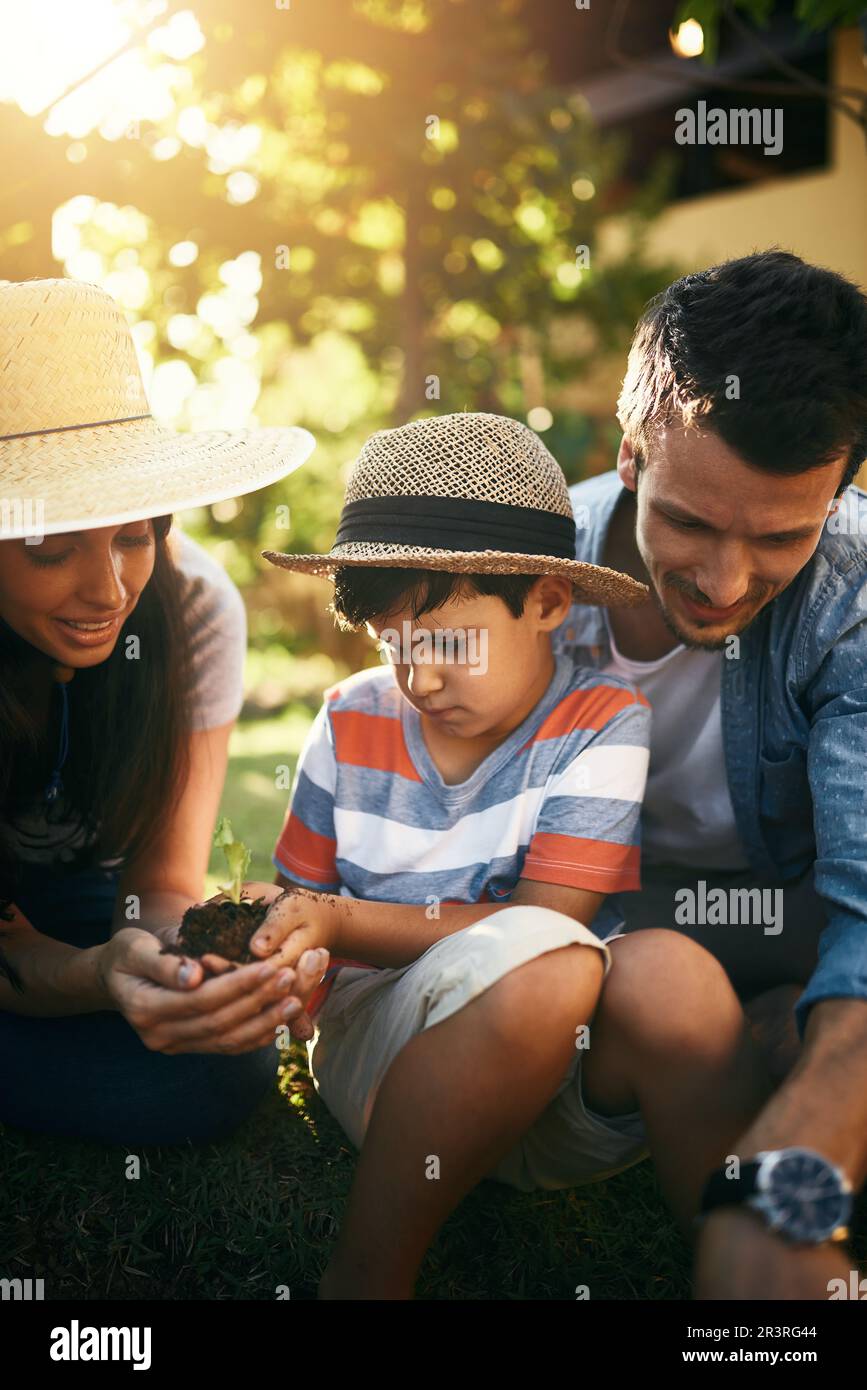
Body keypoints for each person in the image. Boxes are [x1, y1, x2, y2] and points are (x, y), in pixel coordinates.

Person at [235, 411, 773, 1300]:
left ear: (549, 604)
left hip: (560, 1083)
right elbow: (306, 904)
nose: (419, 679)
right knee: (552, 975)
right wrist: (293, 952)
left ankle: (747, 1274)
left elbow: (547, 923)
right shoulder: (347, 720)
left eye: (446, 641)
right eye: (392, 645)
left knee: (662, 970)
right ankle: (368, 1276)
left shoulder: (600, 721)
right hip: (393, 1066)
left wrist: (336, 917)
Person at [554, 249, 867, 1299]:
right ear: (631, 452)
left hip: (795, 932)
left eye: (780, 535)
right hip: (581, 944)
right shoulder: (523, 566)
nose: (723, 581)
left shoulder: (856, 589)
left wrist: (784, 1186)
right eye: (688, 520)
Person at [0, 276, 323, 1145]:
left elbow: (156, 887)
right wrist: (93, 980)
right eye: (49, 550)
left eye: (134, 536)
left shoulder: (194, 610)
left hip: (77, 907)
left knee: (213, 1069)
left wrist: (154, 966)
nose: (108, 592)